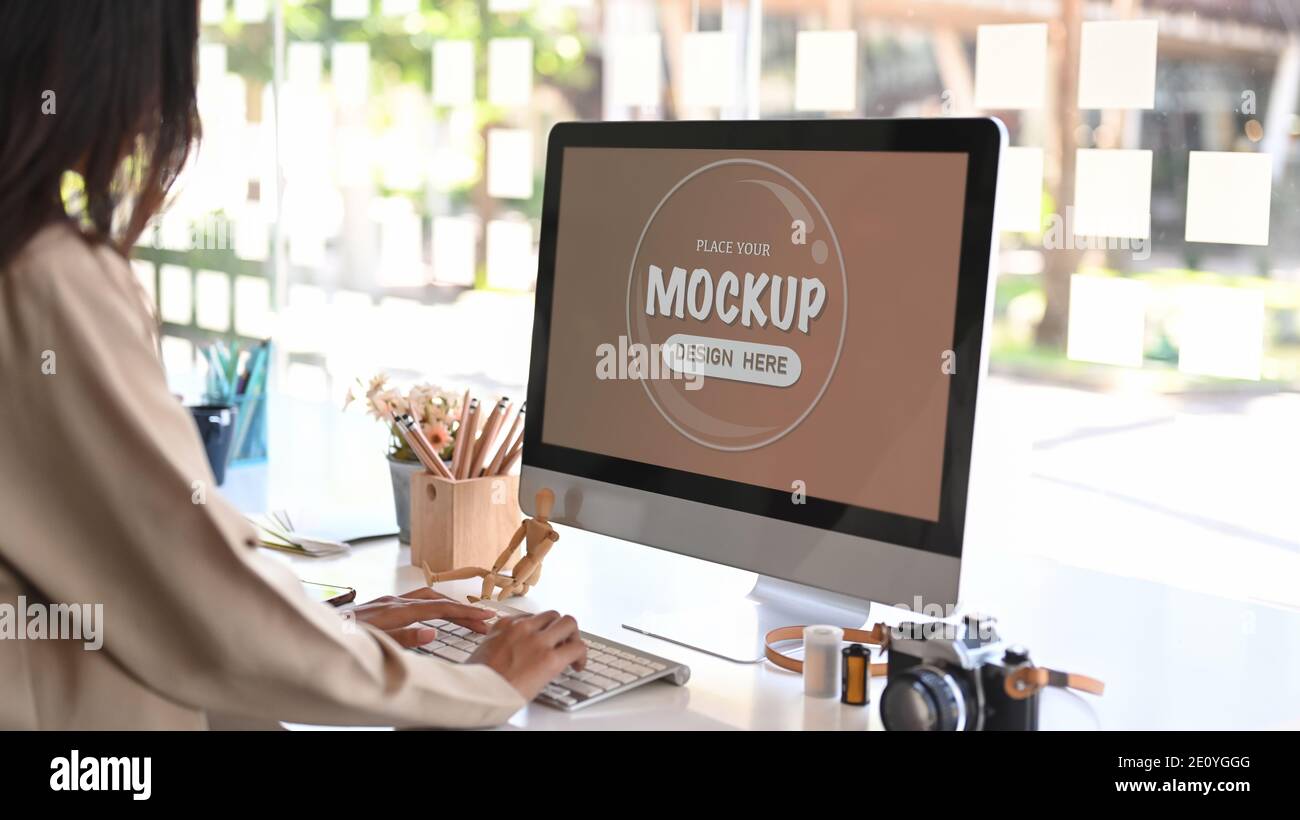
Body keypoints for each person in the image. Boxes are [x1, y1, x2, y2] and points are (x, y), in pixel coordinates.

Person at [0, 0, 586, 729]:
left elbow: (158, 588)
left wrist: (321, 634)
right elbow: (206, 610)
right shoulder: (42, 276)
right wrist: (479, 689)